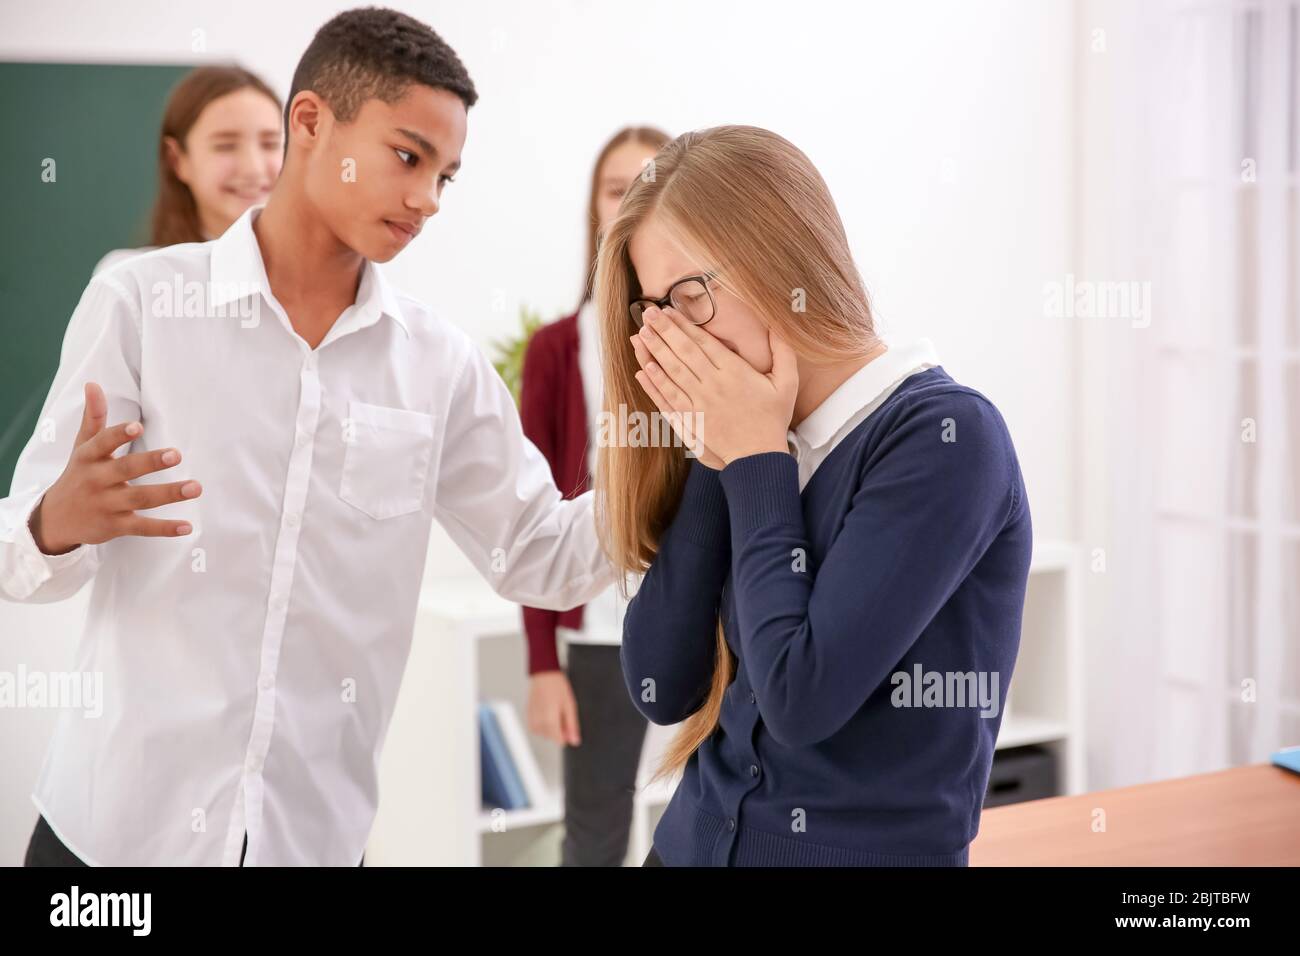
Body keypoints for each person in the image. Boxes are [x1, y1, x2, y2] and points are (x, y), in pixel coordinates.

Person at [1, 6, 613, 866]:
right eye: (408, 156)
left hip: (311, 841)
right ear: (312, 122)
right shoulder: (139, 304)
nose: (427, 199)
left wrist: (688, 456)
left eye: (447, 175)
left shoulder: (439, 364)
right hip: (113, 839)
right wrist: (54, 520)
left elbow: (540, 551)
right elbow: (17, 554)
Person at [592, 126, 1033, 866]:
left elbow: (801, 700)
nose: (676, 340)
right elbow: (660, 684)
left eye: (689, 297)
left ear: (780, 256)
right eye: (656, 312)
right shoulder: (749, 434)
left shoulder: (947, 437)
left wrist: (756, 457)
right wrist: (723, 453)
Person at [518, 126, 670, 866]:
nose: (636, 197)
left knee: (712, 820)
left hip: (710, 625)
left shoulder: (715, 336)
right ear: (595, 211)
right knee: (598, 833)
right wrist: (542, 661)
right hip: (601, 637)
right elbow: (532, 516)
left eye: (654, 179)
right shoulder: (556, 348)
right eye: (618, 186)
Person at [94, 66, 284, 275]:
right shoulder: (133, 276)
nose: (253, 169)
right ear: (177, 160)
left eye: (270, 144)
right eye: (225, 146)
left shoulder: (309, 276)